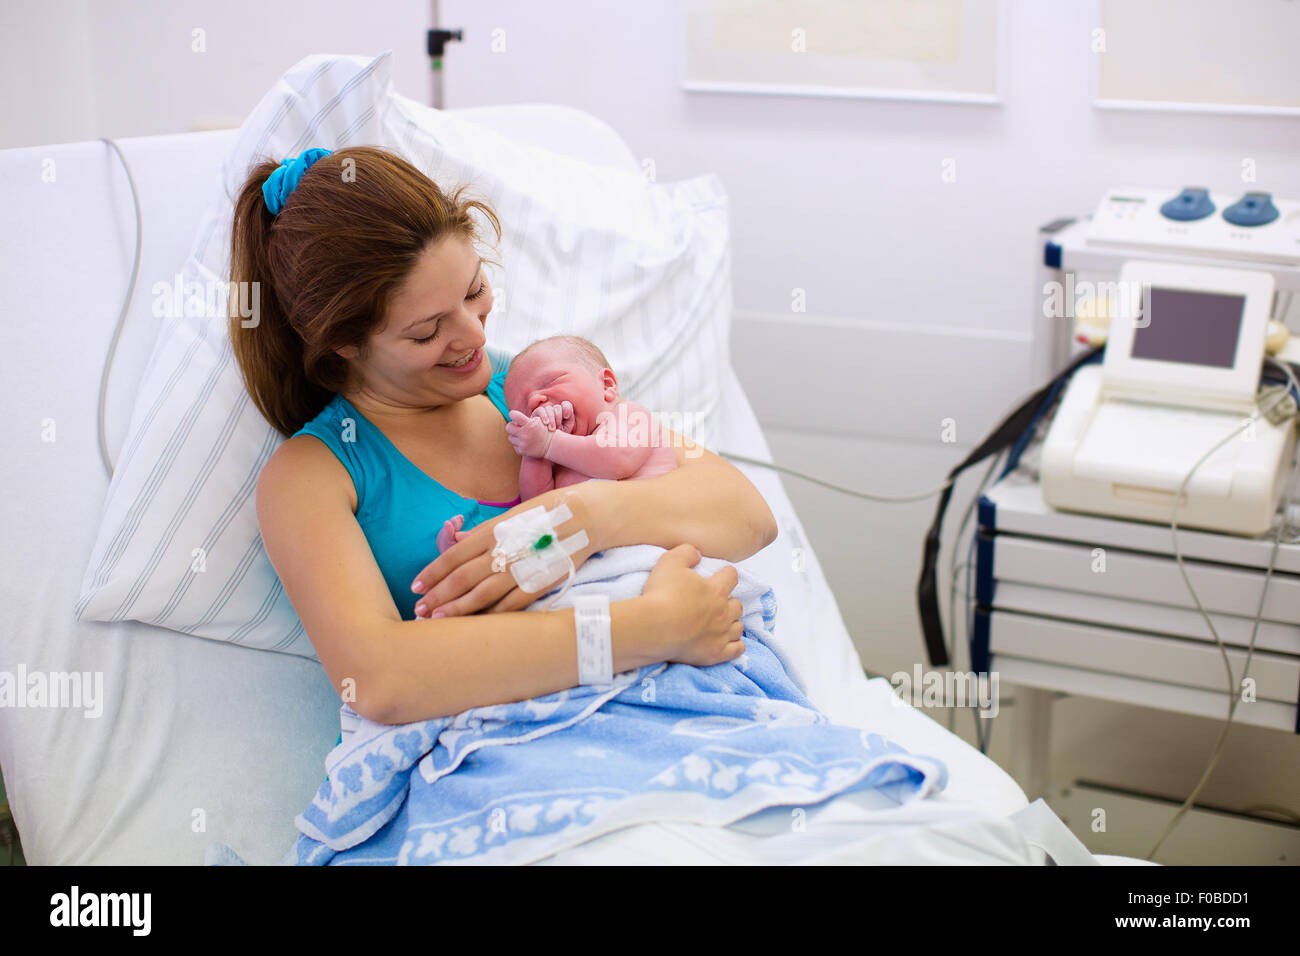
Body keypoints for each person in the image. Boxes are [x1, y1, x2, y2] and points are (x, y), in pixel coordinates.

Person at [228, 145, 777, 727]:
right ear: (344, 342)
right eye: (427, 332)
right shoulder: (314, 474)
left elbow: (747, 514)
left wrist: (580, 520)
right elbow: (377, 679)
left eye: (473, 292)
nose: (473, 336)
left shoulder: (531, 387)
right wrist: (642, 631)